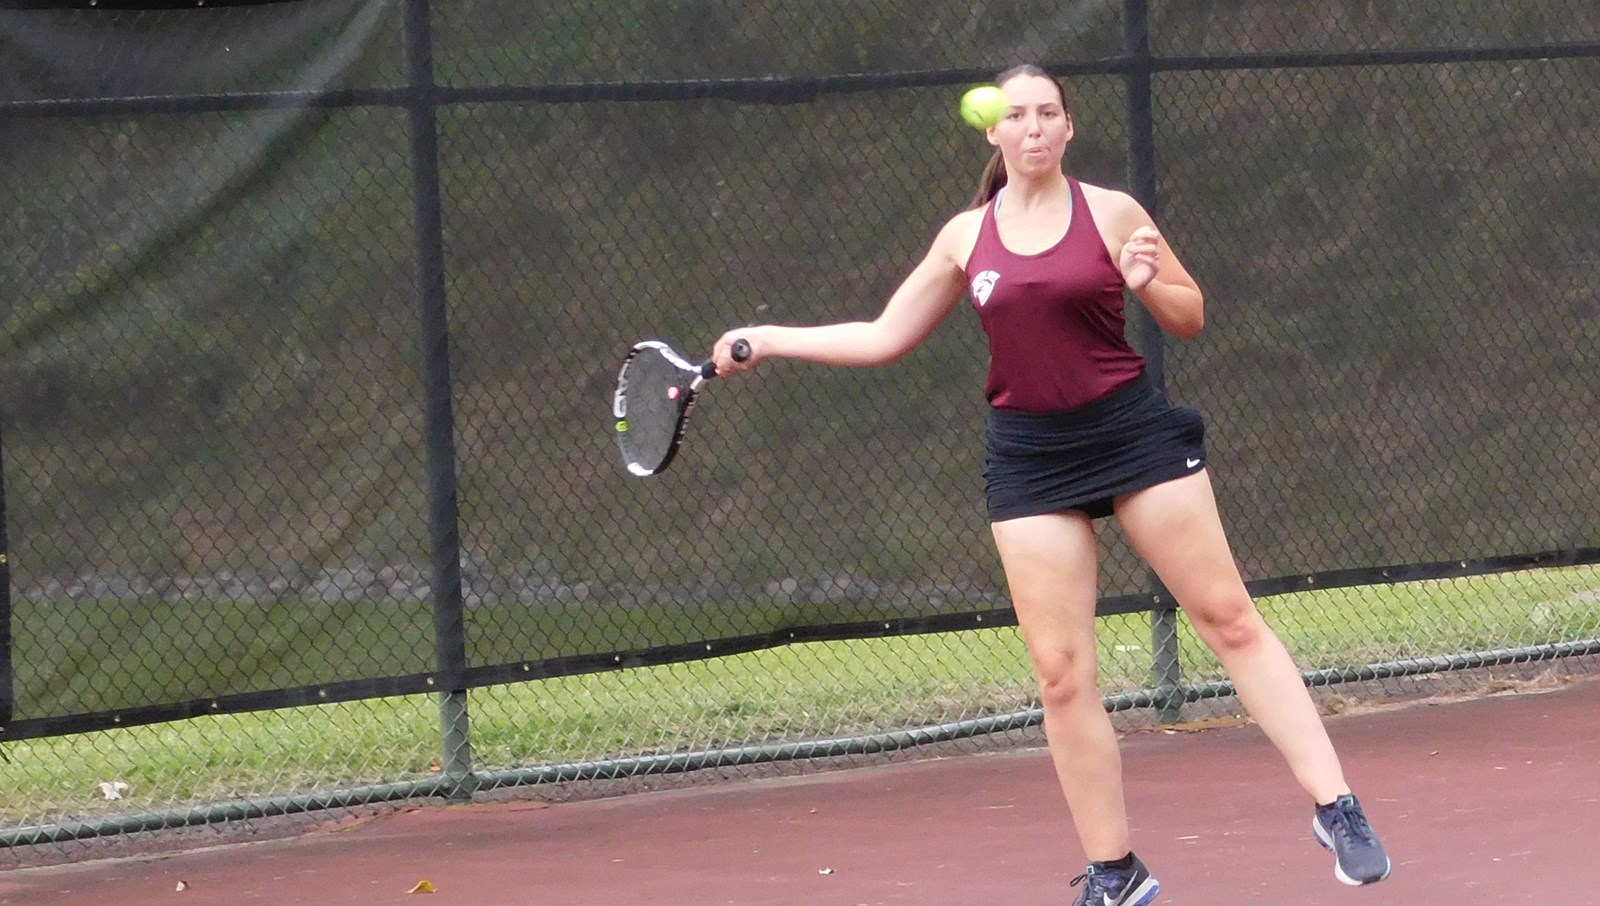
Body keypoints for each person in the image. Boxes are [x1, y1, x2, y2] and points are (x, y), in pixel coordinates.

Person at [710, 64, 1390, 905]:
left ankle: (1337, 805)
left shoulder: (1112, 213)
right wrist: (769, 339)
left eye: (1047, 114)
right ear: (994, 133)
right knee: (1062, 675)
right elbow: (886, 335)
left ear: (1069, 129)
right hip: (1032, 457)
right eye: (1017, 115)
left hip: (1131, 433)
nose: (1032, 127)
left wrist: (1149, 284)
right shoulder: (966, 236)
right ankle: (1116, 871)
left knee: (1228, 619)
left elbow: (1190, 312)